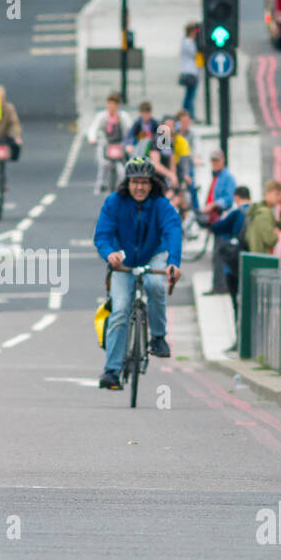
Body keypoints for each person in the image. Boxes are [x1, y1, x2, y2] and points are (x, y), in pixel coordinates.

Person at [92, 157, 182, 390]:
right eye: (135, 182)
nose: (140, 187)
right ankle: (112, 371)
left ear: (152, 184)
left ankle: (158, 337)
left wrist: (173, 262)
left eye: (144, 182)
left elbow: (173, 231)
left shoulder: (161, 205)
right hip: (123, 260)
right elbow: (102, 235)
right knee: (120, 310)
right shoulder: (114, 202)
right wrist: (109, 253)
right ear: (127, 183)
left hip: (153, 255)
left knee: (154, 285)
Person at [203, 184, 252, 302]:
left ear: (236, 197)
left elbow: (218, 227)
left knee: (236, 298)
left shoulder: (236, 213)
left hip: (236, 260)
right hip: (253, 258)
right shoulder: (256, 211)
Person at [86, 92, 132, 193]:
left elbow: (130, 131)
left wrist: (129, 144)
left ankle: (123, 185)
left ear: (118, 105)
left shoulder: (123, 116)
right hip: (105, 145)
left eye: (114, 104)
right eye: (109, 104)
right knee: (103, 164)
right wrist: (92, 138)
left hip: (119, 145)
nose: (111, 107)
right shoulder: (101, 116)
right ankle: (101, 183)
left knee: (123, 168)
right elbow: (93, 128)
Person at [244, 179, 281, 254]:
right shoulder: (264, 213)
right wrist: (276, 232)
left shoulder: (261, 208)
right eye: (277, 194)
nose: (279, 198)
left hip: (258, 255)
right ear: (267, 193)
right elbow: (271, 240)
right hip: (261, 256)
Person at [179, 23, 201, 115]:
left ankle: (187, 114)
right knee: (190, 96)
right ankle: (189, 115)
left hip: (188, 72)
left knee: (189, 95)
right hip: (190, 72)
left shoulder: (185, 41)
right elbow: (195, 53)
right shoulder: (189, 42)